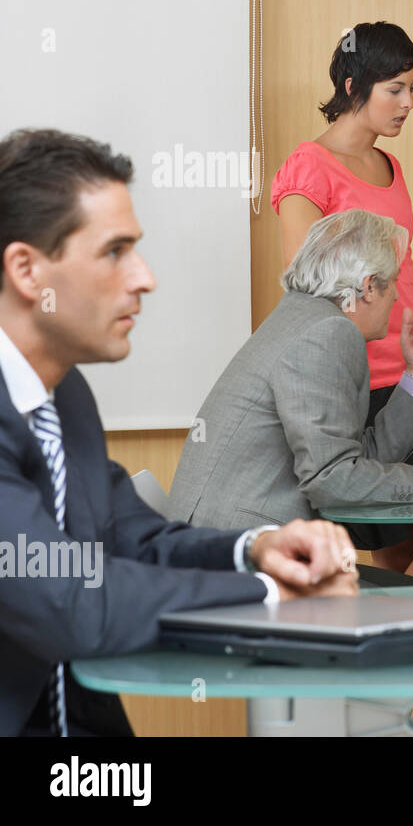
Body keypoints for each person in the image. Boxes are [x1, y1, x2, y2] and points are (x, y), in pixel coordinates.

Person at [0, 128, 358, 737]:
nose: (145, 278)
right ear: (27, 270)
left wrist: (256, 550)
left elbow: (131, 538)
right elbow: (69, 602)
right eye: (115, 251)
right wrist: (269, 596)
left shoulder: (67, 395)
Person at [168, 211, 413, 557]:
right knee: (410, 602)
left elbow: (346, 460)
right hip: (235, 558)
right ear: (368, 287)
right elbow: (332, 481)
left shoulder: (303, 318)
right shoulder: (327, 333)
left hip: (221, 544)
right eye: (393, 281)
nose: (397, 297)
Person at [272, 20, 413, 571]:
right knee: (370, 521)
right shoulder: (308, 168)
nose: (407, 103)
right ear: (353, 87)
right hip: (349, 379)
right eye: (395, 89)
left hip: (408, 374)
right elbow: (310, 287)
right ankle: (361, 631)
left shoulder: (390, 166)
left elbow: (401, 270)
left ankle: (389, 627)